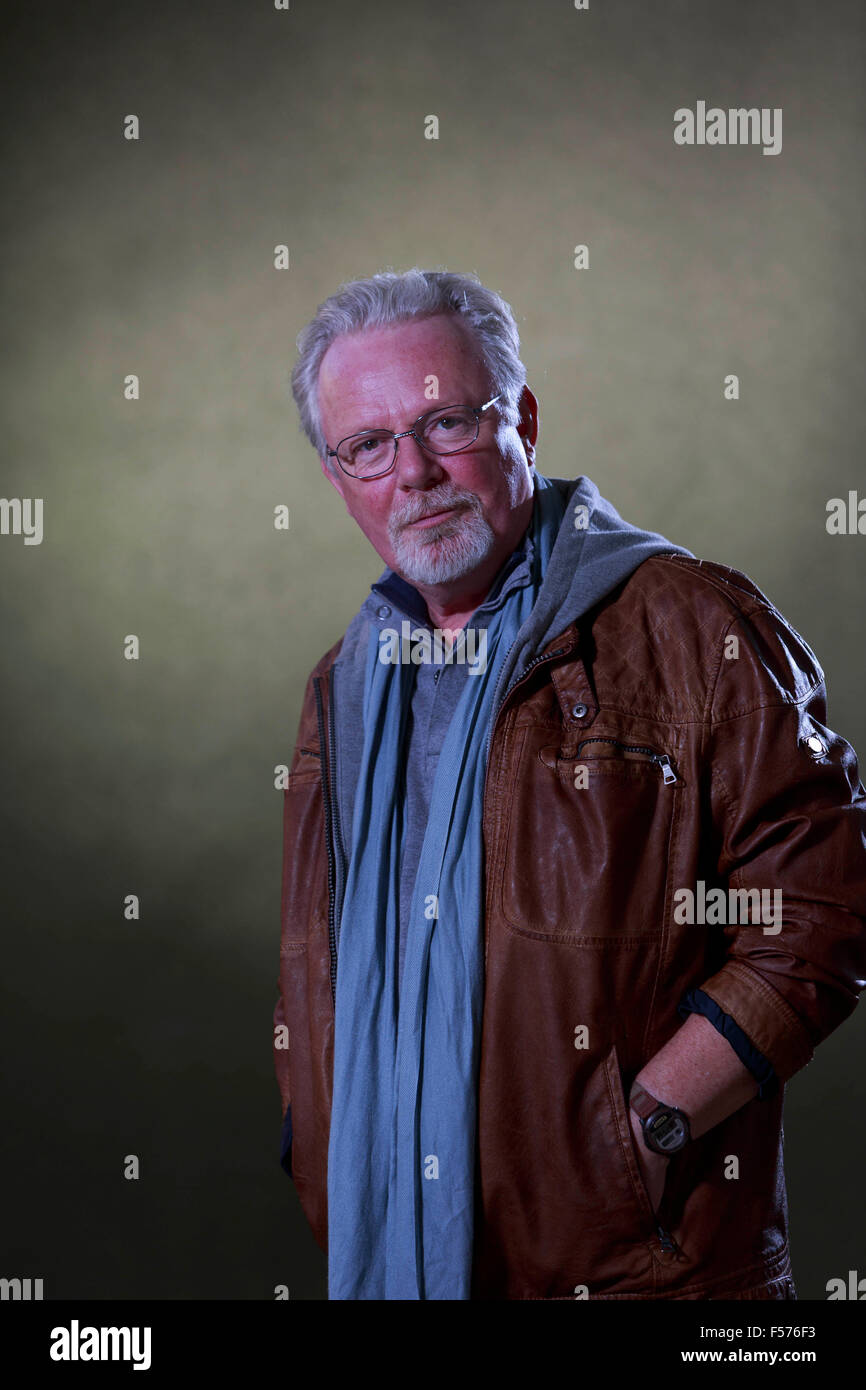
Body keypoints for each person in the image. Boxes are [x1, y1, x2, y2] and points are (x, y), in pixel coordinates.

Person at [272, 267, 866, 1301]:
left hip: (632, 1272)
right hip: (388, 1255)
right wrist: (314, 1137)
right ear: (337, 476)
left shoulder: (685, 625)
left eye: (446, 420)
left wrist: (647, 1121)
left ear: (524, 421)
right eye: (367, 445)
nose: (412, 471)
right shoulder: (344, 686)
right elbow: (311, 964)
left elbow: (820, 904)